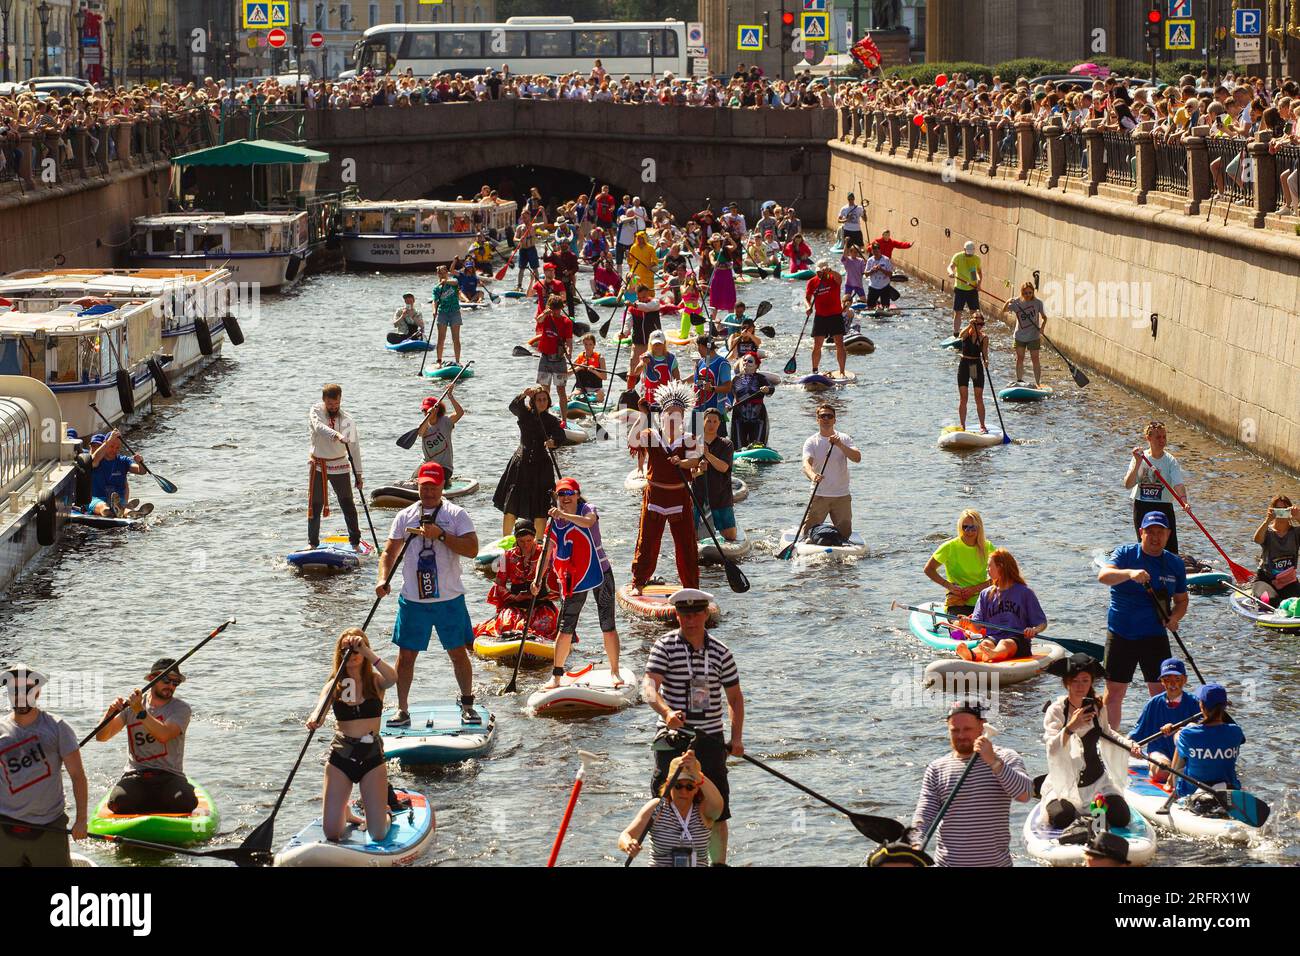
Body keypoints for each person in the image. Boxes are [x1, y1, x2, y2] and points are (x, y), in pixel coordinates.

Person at [642, 588, 744, 865]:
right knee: (665, 807)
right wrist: (665, 713)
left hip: (710, 739)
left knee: (717, 810)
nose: (691, 620)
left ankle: (718, 863)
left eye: (696, 613)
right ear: (677, 615)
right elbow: (649, 687)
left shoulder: (722, 652)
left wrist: (736, 739)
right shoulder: (664, 646)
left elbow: (734, 697)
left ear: (706, 614)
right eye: (685, 614)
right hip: (674, 738)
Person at [380, 461, 479, 727]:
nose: (429, 492)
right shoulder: (404, 516)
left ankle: (467, 703)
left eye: (434, 487)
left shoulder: (457, 514)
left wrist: (442, 536)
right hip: (413, 600)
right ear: (418, 486)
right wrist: (382, 578)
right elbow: (389, 553)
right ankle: (402, 709)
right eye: (424, 487)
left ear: (442, 487)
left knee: (458, 652)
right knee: (406, 655)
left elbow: (472, 550)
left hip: (449, 599)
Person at [909, 699, 1031, 867]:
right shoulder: (937, 768)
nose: (960, 736)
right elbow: (924, 816)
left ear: (982, 726)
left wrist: (993, 761)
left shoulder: (1006, 757)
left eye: (967, 729)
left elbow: (1024, 794)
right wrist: (915, 846)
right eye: (954, 730)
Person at [306, 629, 400, 842]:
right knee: (332, 833)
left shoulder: (376, 682)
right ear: (340, 654)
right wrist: (314, 719)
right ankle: (347, 812)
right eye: (347, 649)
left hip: (371, 756)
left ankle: (383, 812)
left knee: (377, 834)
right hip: (342, 755)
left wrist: (365, 650)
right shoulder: (334, 685)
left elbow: (393, 677)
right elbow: (319, 708)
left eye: (357, 649)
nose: (353, 653)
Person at [1097, 511, 1188, 728]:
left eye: (1160, 532)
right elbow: (1103, 576)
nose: (1155, 537)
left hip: (1154, 635)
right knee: (1114, 693)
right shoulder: (1125, 554)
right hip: (1121, 634)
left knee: (1160, 693)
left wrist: (1174, 618)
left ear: (1168, 535)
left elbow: (1182, 601)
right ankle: (1111, 740)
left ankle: (1161, 741)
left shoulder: (1175, 564)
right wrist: (1129, 574)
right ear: (1141, 533)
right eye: (1150, 532)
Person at [1041, 653, 1143, 832]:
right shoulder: (1056, 710)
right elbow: (1052, 747)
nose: (1080, 686)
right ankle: (1081, 816)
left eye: (1085, 680)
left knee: (1121, 817)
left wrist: (1129, 745)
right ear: (1067, 682)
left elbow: (1108, 733)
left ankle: (1095, 813)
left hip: (1097, 783)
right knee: (1061, 818)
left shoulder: (1097, 708)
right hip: (1064, 785)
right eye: (1075, 681)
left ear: (1091, 682)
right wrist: (1071, 727)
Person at [0, 664, 88, 867]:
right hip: (5, 823)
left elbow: (77, 776)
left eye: (26, 690)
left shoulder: (58, 728)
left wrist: (81, 820)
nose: (20, 696)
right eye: (14, 690)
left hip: (48, 826)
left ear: (38, 692)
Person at [544, 477, 623, 689]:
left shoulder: (588, 508)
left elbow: (588, 522)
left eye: (570, 494)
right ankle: (556, 676)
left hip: (600, 573)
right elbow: (547, 553)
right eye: (561, 494)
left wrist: (564, 515)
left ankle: (615, 671)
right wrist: (537, 580)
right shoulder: (553, 520)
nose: (565, 498)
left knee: (608, 624)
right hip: (573, 579)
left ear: (577, 495)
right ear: (556, 496)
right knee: (565, 627)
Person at [93, 658, 196, 814]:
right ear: (151, 679)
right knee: (118, 803)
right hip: (136, 775)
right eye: (166, 680)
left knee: (186, 802)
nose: (170, 686)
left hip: (169, 775)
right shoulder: (131, 708)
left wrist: (140, 711)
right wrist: (109, 713)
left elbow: (164, 735)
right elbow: (101, 737)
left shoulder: (181, 709)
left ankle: (158, 803)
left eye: (175, 683)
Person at [629, 380, 702, 595]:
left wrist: (682, 462)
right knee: (647, 542)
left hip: (679, 496)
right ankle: (638, 583)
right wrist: (642, 416)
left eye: (677, 414)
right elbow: (632, 442)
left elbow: (695, 461)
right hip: (655, 496)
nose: (673, 418)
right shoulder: (652, 436)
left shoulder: (689, 439)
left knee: (686, 545)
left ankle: (691, 586)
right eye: (669, 413)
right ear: (662, 415)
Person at [617, 751, 723, 867]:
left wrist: (697, 774)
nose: (683, 792)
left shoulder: (703, 809)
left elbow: (718, 805)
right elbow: (625, 835)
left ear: (697, 788)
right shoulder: (657, 807)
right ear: (668, 785)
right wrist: (629, 844)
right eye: (677, 786)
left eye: (689, 787)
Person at [494, 386, 567, 538]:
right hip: (521, 464)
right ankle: (506, 540)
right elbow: (513, 407)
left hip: (541, 467)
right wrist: (523, 394)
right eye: (539, 400)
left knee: (541, 506)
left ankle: (539, 541)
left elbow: (560, 437)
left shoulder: (552, 420)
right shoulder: (525, 414)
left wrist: (553, 442)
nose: (542, 402)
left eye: (544, 400)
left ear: (548, 401)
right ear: (533, 401)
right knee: (511, 505)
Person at [952, 549, 1048, 663]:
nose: (987, 570)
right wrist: (967, 623)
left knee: (1005, 643)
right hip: (993, 638)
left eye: (989, 566)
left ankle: (995, 654)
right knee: (986, 643)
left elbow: (1042, 623)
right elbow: (977, 628)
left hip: (1018, 640)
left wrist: (1033, 630)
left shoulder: (1024, 592)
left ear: (1000, 567)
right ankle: (971, 655)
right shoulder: (985, 594)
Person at [476, 519, 560, 642]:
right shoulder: (507, 557)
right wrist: (514, 598)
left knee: (543, 625)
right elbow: (499, 584)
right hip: (515, 603)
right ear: (515, 539)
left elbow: (556, 582)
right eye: (521, 541)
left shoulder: (544, 555)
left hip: (540, 603)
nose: (526, 545)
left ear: (535, 537)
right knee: (506, 624)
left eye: (529, 541)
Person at [1128, 658, 1201, 784]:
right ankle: (1166, 775)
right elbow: (1135, 735)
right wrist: (1132, 745)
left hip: (1186, 755)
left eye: (1177, 679)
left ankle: (1177, 776)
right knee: (1162, 772)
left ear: (1185, 680)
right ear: (1162, 681)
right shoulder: (1153, 704)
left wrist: (1178, 729)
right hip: (1160, 752)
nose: (1172, 684)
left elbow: (1205, 731)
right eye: (1167, 680)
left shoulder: (1195, 703)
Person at [308, 384, 363, 551]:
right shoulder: (316, 411)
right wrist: (337, 435)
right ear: (324, 400)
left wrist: (358, 475)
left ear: (340, 400)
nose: (333, 407)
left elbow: (354, 448)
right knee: (315, 505)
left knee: (347, 503)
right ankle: (312, 543)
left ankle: (355, 542)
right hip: (319, 465)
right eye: (330, 404)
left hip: (340, 464)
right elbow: (319, 427)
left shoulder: (347, 420)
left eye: (336, 404)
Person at [1169, 683, 1246, 801]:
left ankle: (1170, 783)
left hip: (1190, 791)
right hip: (1228, 789)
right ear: (1225, 706)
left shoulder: (1188, 734)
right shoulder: (1236, 731)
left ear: (1201, 706)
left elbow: (1177, 737)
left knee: (1181, 742)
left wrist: (1179, 730)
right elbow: (1239, 738)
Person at [1122, 421, 1187, 555]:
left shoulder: (1170, 461)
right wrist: (1138, 462)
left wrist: (1184, 501)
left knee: (1170, 549)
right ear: (1148, 438)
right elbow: (1128, 485)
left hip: (1164, 507)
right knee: (1146, 546)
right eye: (1158, 437)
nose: (1162, 440)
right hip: (1142, 506)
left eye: (1164, 437)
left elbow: (1178, 484)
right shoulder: (1139, 458)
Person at [800, 404, 861, 542]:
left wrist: (840, 445)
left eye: (829, 416)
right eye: (822, 416)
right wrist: (813, 476)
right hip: (820, 494)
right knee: (808, 534)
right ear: (817, 420)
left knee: (845, 534)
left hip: (841, 496)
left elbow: (857, 458)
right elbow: (806, 465)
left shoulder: (844, 439)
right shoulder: (811, 441)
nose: (826, 418)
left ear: (835, 420)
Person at [925, 510, 995, 616]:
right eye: (965, 527)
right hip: (957, 602)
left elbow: (1002, 576)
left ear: (979, 527)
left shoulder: (988, 547)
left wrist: (974, 590)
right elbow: (929, 569)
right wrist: (948, 586)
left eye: (973, 527)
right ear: (960, 527)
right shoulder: (949, 547)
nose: (969, 531)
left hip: (981, 602)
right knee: (964, 628)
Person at [690, 408, 737, 544]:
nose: (711, 424)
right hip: (699, 497)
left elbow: (724, 468)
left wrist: (708, 455)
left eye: (715, 421)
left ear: (719, 424)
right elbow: (692, 472)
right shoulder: (693, 443)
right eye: (708, 421)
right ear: (703, 422)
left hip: (720, 496)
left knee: (730, 537)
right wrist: (699, 470)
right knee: (694, 536)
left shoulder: (727, 444)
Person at [1251, 495, 1300, 604]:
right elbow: (1257, 540)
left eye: (1285, 510)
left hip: (1288, 582)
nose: (1282, 513)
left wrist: (1298, 518)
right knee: (1271, 600)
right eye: (1278, 510)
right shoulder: (1267, 532)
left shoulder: (1296, 532)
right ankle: (1258, 593)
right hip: (1266, 580)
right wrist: (1267, 520)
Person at [88, 430, 148, 518]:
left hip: (118, 500)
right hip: (98, 498)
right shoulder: (97, 459)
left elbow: (142, 471)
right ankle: (112, 511)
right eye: (112, 446)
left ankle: (131, 513)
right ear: (106, 444)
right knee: (104, 508)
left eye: (117, 447)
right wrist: (109, 440)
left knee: (123, 508)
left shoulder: (123, 460)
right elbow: (92, 462)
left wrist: (140, 463)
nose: (114, 450)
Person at [530, 294, 573, 415]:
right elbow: (538, 320)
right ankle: (544, 415)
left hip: (559, 360)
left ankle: (564, 419)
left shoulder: (567, 322)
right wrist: (545, 313)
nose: (556, 312)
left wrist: (569, 352)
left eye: (558, 309)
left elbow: (569, 341)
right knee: (544, 391)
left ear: (561, 308)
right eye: (553, 309)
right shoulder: (547, 318)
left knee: (561, 391)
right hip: (545, 359)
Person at [806, 259, 848, 378]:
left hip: (835, 315)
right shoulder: (812, 282)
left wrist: (830, 271)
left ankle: (842, 372)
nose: (820, 274)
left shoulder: (833, 278)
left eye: (822, 272)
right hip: (820, 316)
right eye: (819, 272)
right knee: (817, 345)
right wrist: (808, 307)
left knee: (839, 344)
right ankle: (814, 370)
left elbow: (839, 278)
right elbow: (807, 297)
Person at [413, 388, 464, 482]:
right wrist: (428, 417)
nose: (426, 412)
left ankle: (445, 482)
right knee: (412, 480)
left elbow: (460, 413)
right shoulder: (424, 426)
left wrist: (450, 396)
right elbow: (420, 433)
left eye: (428, 409)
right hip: (427, 465)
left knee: (432, 481)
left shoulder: (446, 421)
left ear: (437, 409)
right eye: (424, 410)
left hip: (444, 467)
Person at [1004, 281, 1047, 386]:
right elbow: (1004, 310)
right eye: (1026, 293)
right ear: (1022, 293)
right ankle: (1019, 380)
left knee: (1035, 358)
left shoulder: (1038, 303)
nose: (1028, 295)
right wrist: (1008, 301)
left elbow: (1044, 317)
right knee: (1020, 358)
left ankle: (1038, 383)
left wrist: (1042, 327)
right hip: (1020, 336)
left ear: (1033, 292)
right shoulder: (1016, 303)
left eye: (1030, 293)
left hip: (1034, 336)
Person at [729, 355, 772, 449]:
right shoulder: (735, 379)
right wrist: (727, 405)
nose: (746, 363)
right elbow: (729, 396)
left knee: (758, 444)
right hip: (739, 415)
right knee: (738, 445)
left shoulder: (761, 378)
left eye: (750, 361)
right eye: (744, 360)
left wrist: (767, 389)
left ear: (756, 365)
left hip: (758, 415)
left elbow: (771, 389)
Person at [691, 334, 732, 434]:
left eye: (698, 347)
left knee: (717, 446)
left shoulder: (722, 364)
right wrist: (682, 381)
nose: (698, 350)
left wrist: (712, 388)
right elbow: (696, 378)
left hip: (715, 412)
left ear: (702, 346)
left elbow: (728, 387)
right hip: (698, 409)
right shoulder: (701, 362)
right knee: (695, 444)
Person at [956, 312, 990, 433]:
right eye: (977, 323)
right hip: (964, 364)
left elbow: (985, 353)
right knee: (963, 398)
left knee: (978, 397)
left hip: (976, 366)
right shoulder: (966, 334)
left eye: (981, 324)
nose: (979, 326)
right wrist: (970, 325)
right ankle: (962, 425)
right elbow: (960, 335)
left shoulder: (984, 338)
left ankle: (982, 425)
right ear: (972, 322)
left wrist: (986, 361)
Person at [632, 330, 680, 409]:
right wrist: (643, 363)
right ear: (650, 344)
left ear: (664, 343)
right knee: (650, 420)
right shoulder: (645, 356)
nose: (657, 346)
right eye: (655, 344)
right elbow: (636, 372)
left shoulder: (671, 358)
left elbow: (677, 380)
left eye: (659, 344)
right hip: (649, 397)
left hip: (667, 398)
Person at [947, 240, 982, 337]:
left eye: (971, 254)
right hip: (960, 288)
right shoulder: (958, 256)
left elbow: (978, 273)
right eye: (968, 253)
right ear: (964, 250)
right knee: (958, 312)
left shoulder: (976, 259)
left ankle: (972, 332)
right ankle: (956, 333)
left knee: (974, 312)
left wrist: (979, 284)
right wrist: (951, 272)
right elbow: (950, 267)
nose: (970, 255)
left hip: (972, 288)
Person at [431, 265, 463, 367]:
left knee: (456, 338)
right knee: (441, 338)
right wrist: (434, 310)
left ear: (447, 273)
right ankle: (439, 361)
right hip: (442, 313)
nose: (442, 274)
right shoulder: (436, 288)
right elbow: (434, 301)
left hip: (454, 312)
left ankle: (458, 361)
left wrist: (445, 281)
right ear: (437, 275)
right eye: (440, 273)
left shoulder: (452, 282)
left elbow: (456, 282)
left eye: (444, 272)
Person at [706, 232, 738, 318]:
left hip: (727, 277)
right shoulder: (711, 253)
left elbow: (735, 246)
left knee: (730, 299)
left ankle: (731, 319)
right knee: (715, 300)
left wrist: (729, 238)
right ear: (712, 243)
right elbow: (712, 261)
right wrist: (714, 263)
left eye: (718, 241)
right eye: (714, 242)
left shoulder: (726, 249)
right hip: (718, 277)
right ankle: (712, 321)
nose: (716, 243)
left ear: (720, 241)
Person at [571, 333, 607, 404]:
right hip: (581, 389)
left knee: (599, 395)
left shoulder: (600, 358)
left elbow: (604, 377)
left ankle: (593, 401)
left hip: (596, 389)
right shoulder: (579, 358)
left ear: (594, 345)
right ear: (583, 344)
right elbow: (567, 373)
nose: (588, 347)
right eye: (586, 344)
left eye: (590, 344)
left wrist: (594, 371)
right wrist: (579, 367)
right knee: (573, 396)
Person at [864, 242, 899, 311]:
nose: (875, 253)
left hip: (884, 286)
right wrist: (872, 270)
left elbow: (890, 274)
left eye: (877, 251)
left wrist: (881, 269)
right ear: (872, 251)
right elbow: (866, 274)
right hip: (873, 286)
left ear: (880, 250)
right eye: (874, 251)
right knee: (870, 307)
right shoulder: (870, 260)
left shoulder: (886, 260)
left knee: (885, 307)